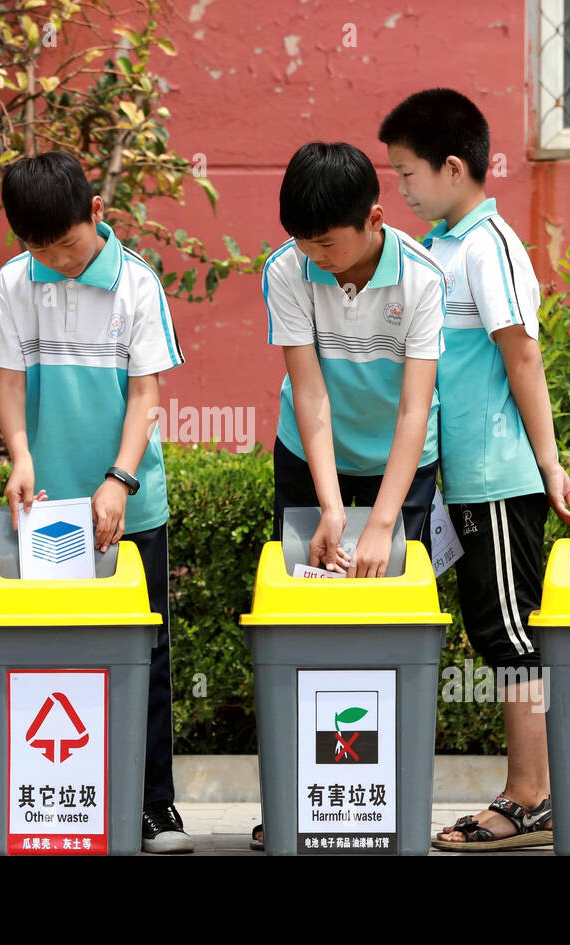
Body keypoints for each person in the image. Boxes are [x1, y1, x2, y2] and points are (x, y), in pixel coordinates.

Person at [379, 87, 570, 850]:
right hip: (457, 480)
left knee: (511, 633)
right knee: (491, 628)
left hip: (498, 479)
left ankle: (533, 797)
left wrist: (548, 461)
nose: (399, 187)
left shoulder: (488, 245)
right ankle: (527, 790)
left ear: (453, 166)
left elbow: (522, 353)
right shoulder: (439, 245)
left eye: (407, 173)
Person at [0, 150, 193, 854]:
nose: (59, 261)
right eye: (42, 249)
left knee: (147, 652)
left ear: (96, 213)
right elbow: (8, 382)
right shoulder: (15, 281)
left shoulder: (137, 284)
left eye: (68, 245)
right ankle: (60, 804)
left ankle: (153, 807)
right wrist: (20, 456)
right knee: (48, 654)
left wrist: (119, 479)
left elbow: (146, 396)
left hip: (129, 506)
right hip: (43, 510)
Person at [252, 141, 446, 849]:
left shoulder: (423, 279)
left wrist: (382, 520)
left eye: (327, 243)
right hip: (312, 458)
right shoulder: (287, 269)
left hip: (401, 465)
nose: (315, 257)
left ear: (373, 218)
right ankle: (303, 794)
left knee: (388, 624)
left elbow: (413, 412)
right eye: (303, 243)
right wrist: (333, 508)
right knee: (308, 620)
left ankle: (384, 796)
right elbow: (311, 394)